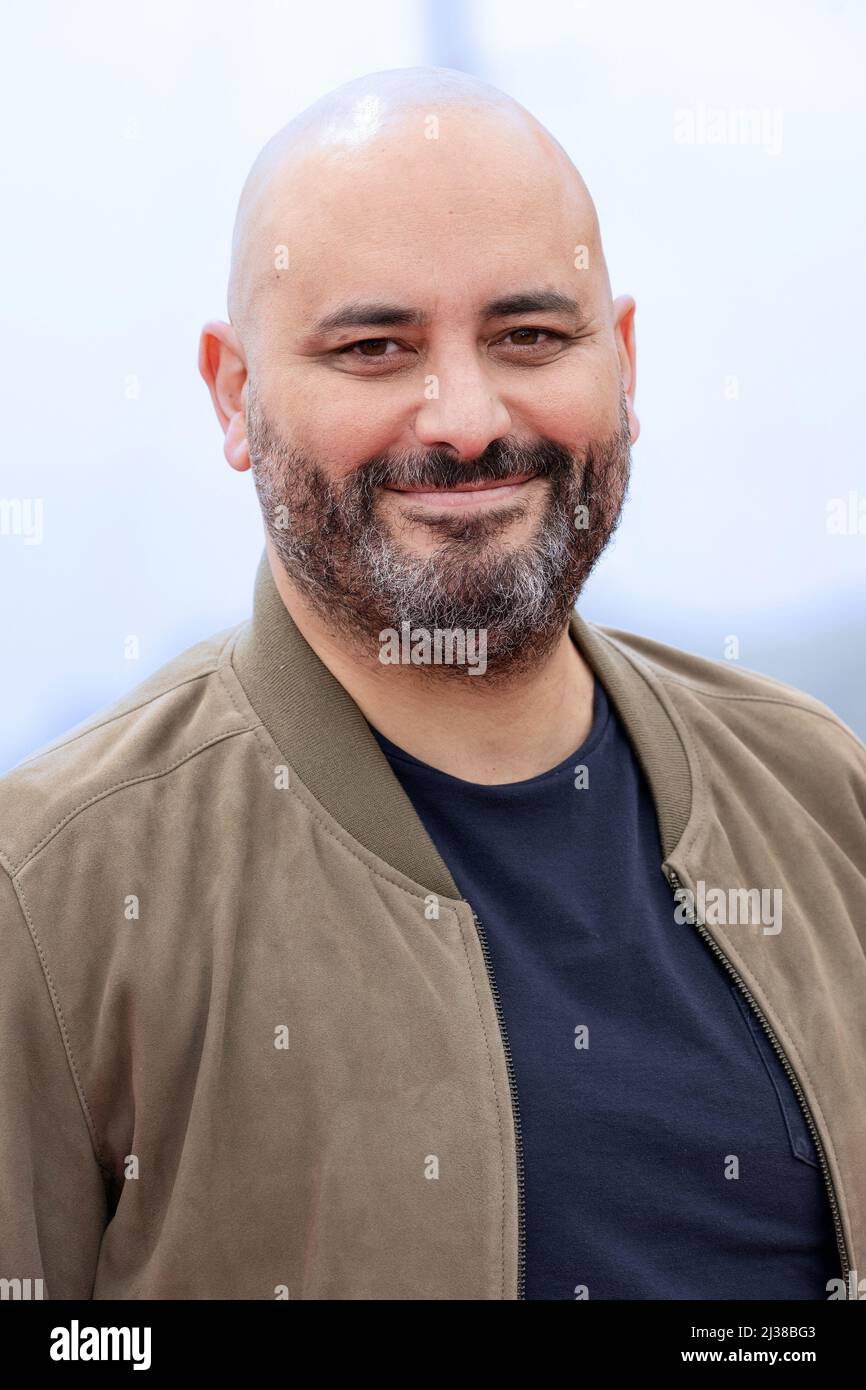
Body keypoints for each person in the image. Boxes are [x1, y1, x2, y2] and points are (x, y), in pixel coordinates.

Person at [1, 66, 864, 1302]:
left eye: (528, 336)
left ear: (619, 359)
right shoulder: (48, 896)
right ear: (234, 393)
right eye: (372, 347)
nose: (461, 417)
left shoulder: (818, 792)